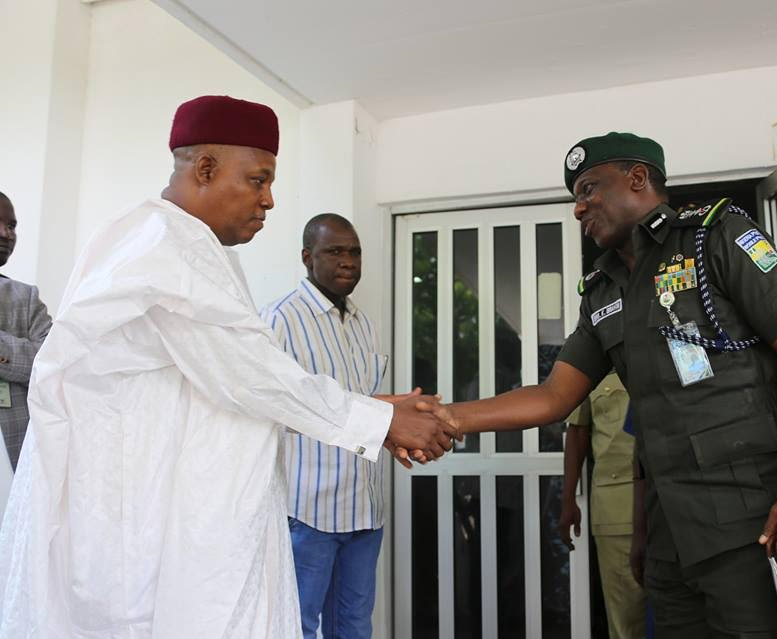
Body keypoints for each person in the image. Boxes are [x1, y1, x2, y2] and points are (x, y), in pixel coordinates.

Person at [0, 95, 457, 639]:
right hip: (135, 519)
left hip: (152, 509)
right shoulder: (167, 245)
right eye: (258, 180)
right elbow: (249, 374)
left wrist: (377, 408)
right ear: (207, 168)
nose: (269, 200)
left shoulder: (169, 240)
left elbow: (227, 374)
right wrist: (379, 423)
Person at [431, 132, 777, 637]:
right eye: (575, 197)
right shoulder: (601, 291)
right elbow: (553, 396)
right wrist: (446, 418)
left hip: (751, 521)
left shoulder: (715, 236)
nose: (578, 209)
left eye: (588, 190)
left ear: (638, 179)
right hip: (671, 536)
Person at [261, 213, 387, 639]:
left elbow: (364, 406)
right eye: (335, 251)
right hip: (307, 512)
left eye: (354, 252)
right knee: (296, 625)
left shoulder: (363, 324)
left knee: (352, 627)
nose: (348, 261)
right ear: (307, 257)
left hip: (365, 510)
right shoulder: (279, 320)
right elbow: (271, 408)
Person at [559, 371, 645, 638]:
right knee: (626, 620)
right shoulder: (591, 359)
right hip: (617, 505)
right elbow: (577, 433)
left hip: (676, 501)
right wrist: (568, 499)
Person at [0, 192, 52, 472]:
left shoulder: (26, 297)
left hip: (15, 456)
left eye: (11, 226)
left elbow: (50, 362)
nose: (6, 234)